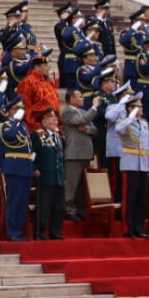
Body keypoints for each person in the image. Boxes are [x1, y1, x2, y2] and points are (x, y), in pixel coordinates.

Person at [114, 96, 149, 239]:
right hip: (130, 164)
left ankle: (139, 228)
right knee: (129, 198)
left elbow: (148, 144)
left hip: (142, 164)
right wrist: (130, 117)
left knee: (141, 199)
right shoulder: (124, 122)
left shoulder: (144, 123)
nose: (142, 109)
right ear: (131, 108)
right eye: (138, 106)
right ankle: (128, 228)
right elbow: (118, 129)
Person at [0, 96, 35, 242]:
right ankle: (12, 232)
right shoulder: (7, 125)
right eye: (17, 109)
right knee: (14, 200)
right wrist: (14, 120)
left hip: (25, 167)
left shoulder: (23, 126)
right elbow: (9, 136)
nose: (21, 111)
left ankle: (19, 230)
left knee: (23, 201)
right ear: (11, 111)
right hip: (14, 167)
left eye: (21, 109)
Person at [61, 89, 96, 221]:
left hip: (86, 153)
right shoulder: (67, 111)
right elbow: (80, 121)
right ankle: (69, 210)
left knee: (82, 185)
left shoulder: (83, 111)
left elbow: (94, 128)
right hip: (74, 153)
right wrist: (94, 107)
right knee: (71, 184)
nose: (82, 99)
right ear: (71, 99)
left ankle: (81, 210)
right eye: (80, 97)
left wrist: (86, 128)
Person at [33, 110, 67, 240]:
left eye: (55, 118)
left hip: (58, 176)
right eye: (51, 118)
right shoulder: (38, 136)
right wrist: (34, 168)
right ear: (43, 122)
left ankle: (55, 231)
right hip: (45, 176)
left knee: (59, 206)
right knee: (44, 206)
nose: (55, 121)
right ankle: (40, 232)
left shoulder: (59, 137)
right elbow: (32, 154)